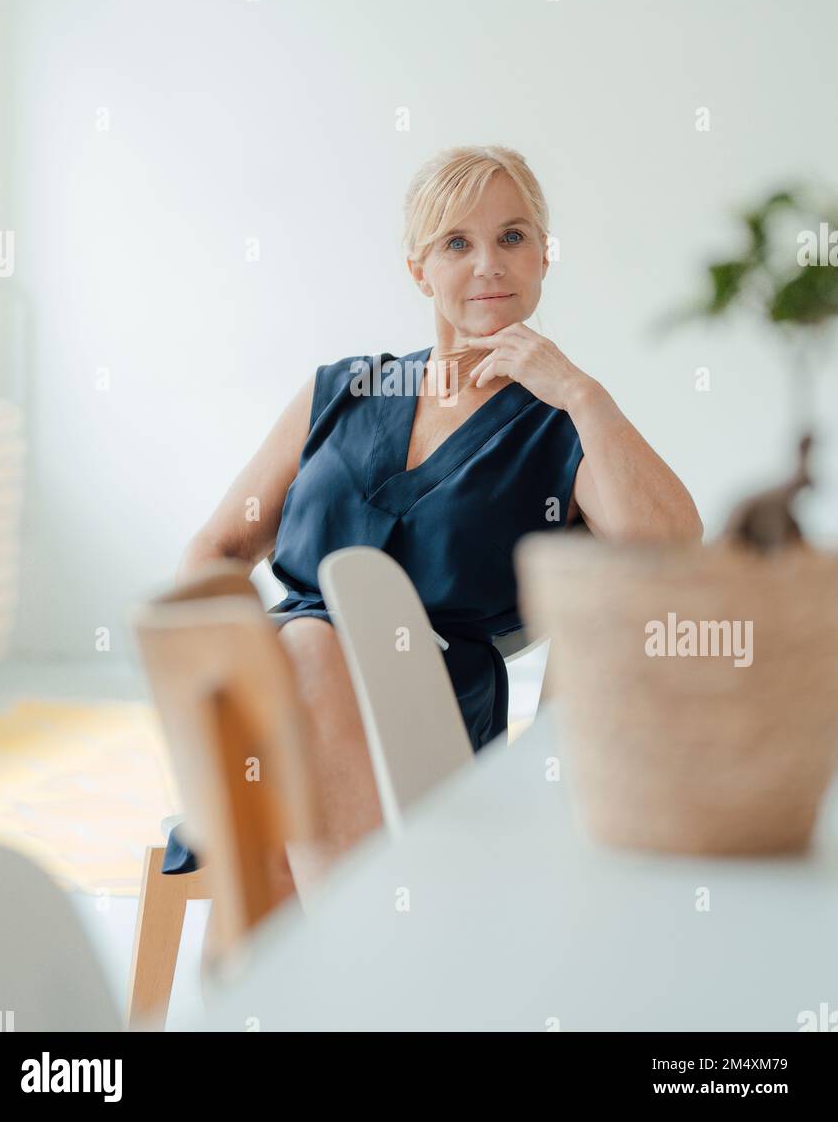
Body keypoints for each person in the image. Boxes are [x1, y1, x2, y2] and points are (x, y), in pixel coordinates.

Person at [163, 145, 703, 900]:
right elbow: (219, 546)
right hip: (274, 686)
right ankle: (366, 960)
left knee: (312, 652)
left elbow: (670, 544)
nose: (488, 263)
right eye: (456, 243)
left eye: (512, 237)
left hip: (431, 709)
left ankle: (353, 964)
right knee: (304, 646)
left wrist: (579, 391)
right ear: (419, 270)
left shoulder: (559, 425)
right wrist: (216, 667)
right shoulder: (341, 390)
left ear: (544, 257)